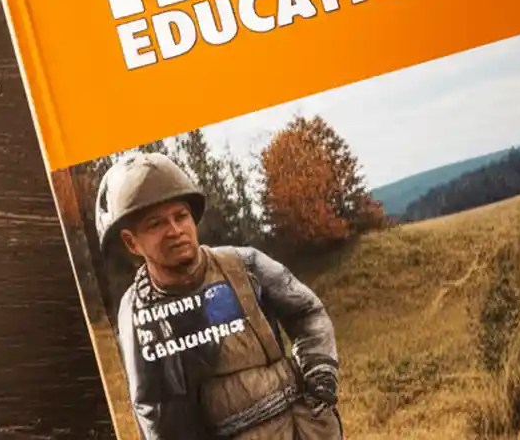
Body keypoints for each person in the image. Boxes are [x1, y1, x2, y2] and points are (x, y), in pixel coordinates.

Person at [95, 151, 344, 440]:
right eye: (156, 224)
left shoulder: (244, 264)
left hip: (298, 425)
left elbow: (306, 313)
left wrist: (319, 374)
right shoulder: (137, 310)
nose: (175, 230)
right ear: (131, 242)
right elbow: (152, 408)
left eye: (181, 216)